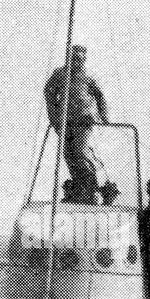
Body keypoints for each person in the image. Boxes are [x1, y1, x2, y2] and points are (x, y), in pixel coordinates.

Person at [44, 44, 107, 204]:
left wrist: (104, 117)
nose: (77, 62)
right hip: (66, 122)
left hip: (84, 121)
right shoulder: (60, 73)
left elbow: (100, 96)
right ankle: (79, 189)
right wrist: (54, 114)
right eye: (74, 58)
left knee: (80, 152)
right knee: (68, 155)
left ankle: (92, 189)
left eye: (80, 59)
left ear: (84, 60)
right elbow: (49, 91)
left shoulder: (89, 76)